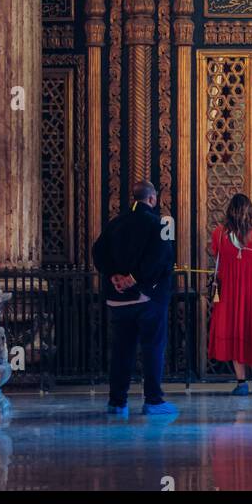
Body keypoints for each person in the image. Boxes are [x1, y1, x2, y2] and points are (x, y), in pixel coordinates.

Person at [91, 179, 177, 418]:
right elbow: (163, 258)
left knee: (121, 351)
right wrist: (135, 277)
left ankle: (117, 402)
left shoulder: (116, 223)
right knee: (152, 348)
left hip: (118, 300)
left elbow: (98, 252)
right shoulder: (158, 224)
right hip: (147, 298)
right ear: (152, 199)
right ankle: (153, 400)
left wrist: (114, 276)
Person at [208, 193, 252, 395]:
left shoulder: (219, 233)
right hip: (251, 288)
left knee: (234, 330)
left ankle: (241, 382)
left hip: (228, 289)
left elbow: (217, 255)